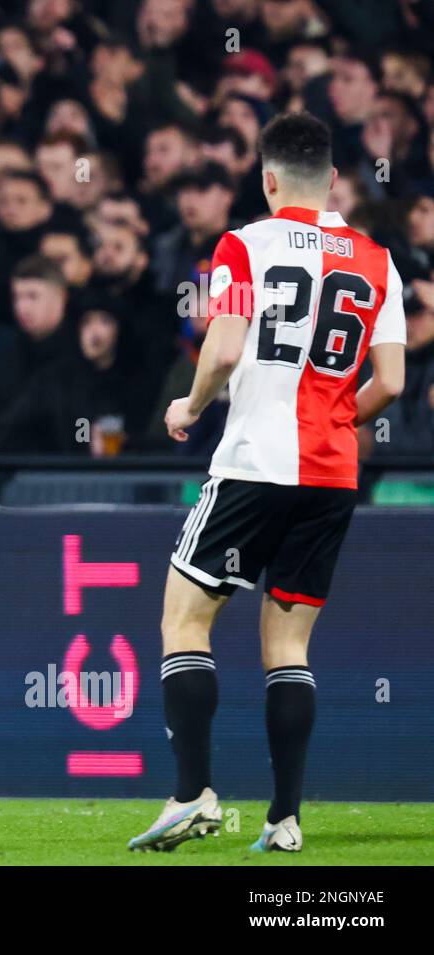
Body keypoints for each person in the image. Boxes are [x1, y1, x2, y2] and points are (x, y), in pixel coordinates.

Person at [129, 114, 406, 854]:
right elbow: (395, 379)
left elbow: (221, 347)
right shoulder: (379, 260)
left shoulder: (244, 244)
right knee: (288, 647)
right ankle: (283, 820)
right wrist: (340, 415)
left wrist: (188, 406)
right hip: (331, 474)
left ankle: (192, 794)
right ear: (335, 182)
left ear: (269, 179)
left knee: (185, 621)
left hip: (254, 461)